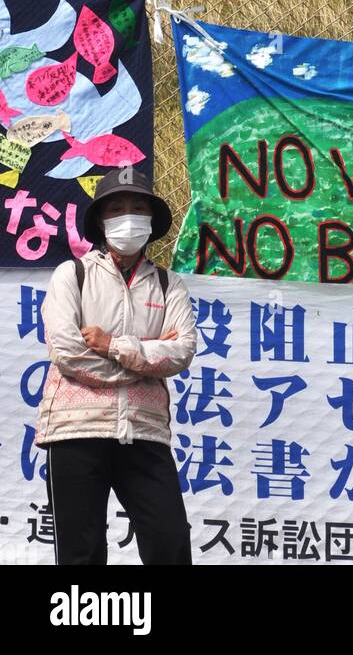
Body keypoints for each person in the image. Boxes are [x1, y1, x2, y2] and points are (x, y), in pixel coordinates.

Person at [36, 167, 197, 565]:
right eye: (117, 208)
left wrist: (114, 345)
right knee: (82, 553)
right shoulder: (71, 275)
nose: (128, 217)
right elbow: (68, 353)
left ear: (151, 220)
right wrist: (145, 360)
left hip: (143, 431)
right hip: (76, 430)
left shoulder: (168, 284)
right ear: (100, 221)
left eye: (138, 207)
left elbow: (183, 351)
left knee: (169, 543)